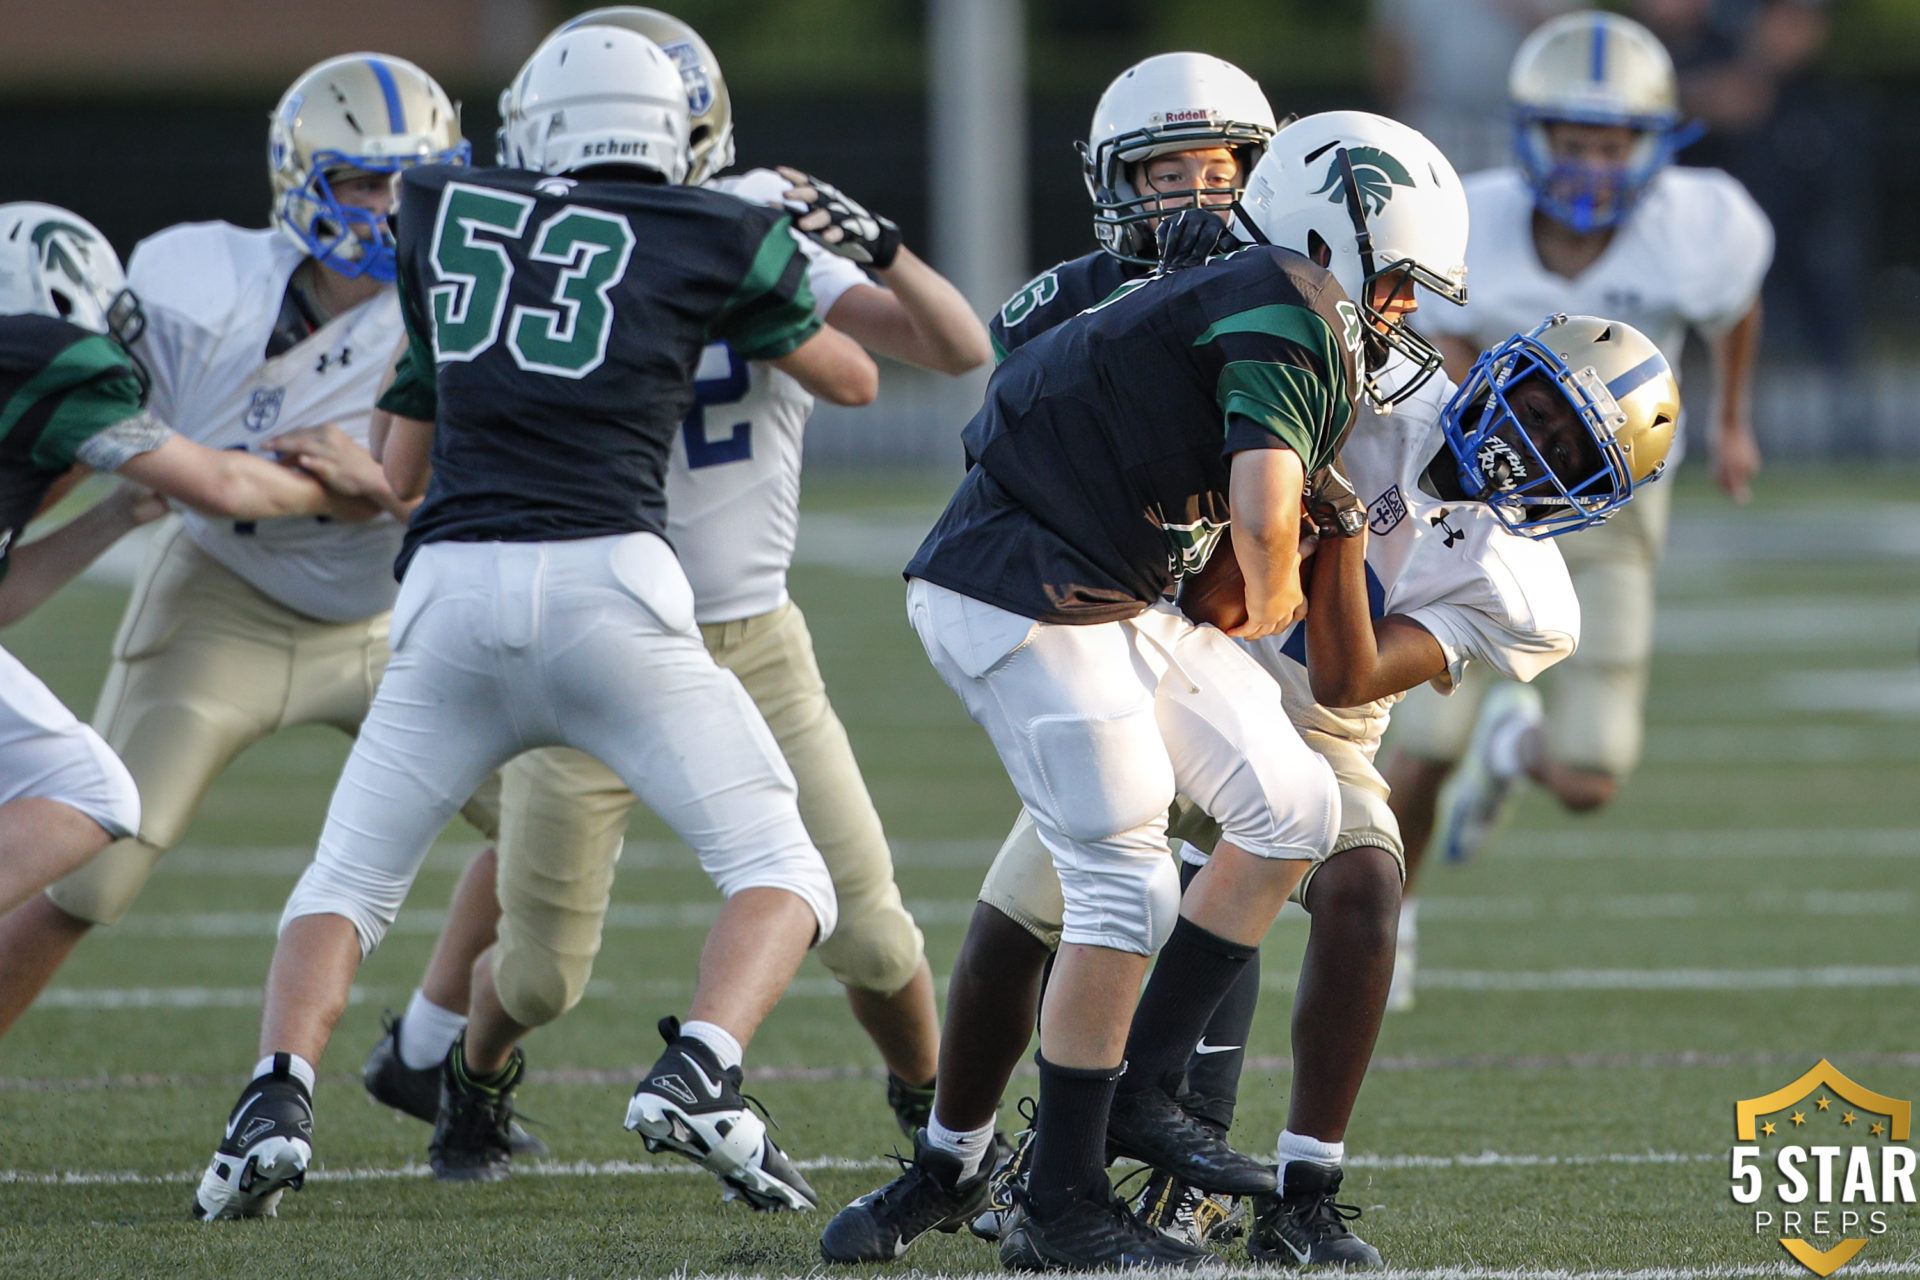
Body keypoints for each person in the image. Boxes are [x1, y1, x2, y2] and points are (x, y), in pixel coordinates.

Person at [190, 26, 880, 1221]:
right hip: (614, 587)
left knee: (349, 877)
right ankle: (704, 1066)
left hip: (450, 589)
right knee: (781, 867)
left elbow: (400, 470)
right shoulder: (715, 226)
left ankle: (274, 1097)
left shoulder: (442, 209)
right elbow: (855, 375)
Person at [826, 110, 1469, 1272]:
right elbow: (1267, 516)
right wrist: (1277, 589)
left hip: (1107, 594)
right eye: (1406, 284)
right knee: (1125, 884)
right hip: (1022, 591)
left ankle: (1141, 1088)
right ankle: (1063, 1200)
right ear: (1344, 239)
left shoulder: (1247, 283)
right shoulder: (1293, 298)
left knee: (1293, 803)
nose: (1407, 313)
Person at [358, 7, 991, 1165]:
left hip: (743, 628)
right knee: (541, 969)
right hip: (596, 620)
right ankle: (471, 1075)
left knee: (876, 936)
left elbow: (953, 351)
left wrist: (886, 244)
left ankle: (938, 1111)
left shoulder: (747, 223)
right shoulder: (525, 242)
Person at [0, 55, 498, 1043]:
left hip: (407, 615)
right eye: (364, 179)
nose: (395, 205)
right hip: (222, 598)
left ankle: (449, 1055)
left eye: (416, 176)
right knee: (89, 871)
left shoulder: (483, 298)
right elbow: (67, 444)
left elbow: (503, 500)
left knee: (562, 820)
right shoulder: (195, 287)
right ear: (305, 180)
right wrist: (95, 517)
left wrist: (393, 494)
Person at [1380, 9, 1773, 1010]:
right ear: (1530, 136)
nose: (1593, 164)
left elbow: (1735, 309)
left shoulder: (1703, 223)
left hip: (1615, 514)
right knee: (1423, 744)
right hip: (1482, 510)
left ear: (1653, 145)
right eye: (1574, 140)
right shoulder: (1477, 218)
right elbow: (1441, 354)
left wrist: (1731, 421)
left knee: (1594, 770)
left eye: (1613, 142)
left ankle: (1515, 750)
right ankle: (1389, 920)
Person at [0, 202, 381, 922]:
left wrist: (115, 514)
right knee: (91, 794)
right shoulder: (47, 356)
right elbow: (224, 483)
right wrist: (351, 492)